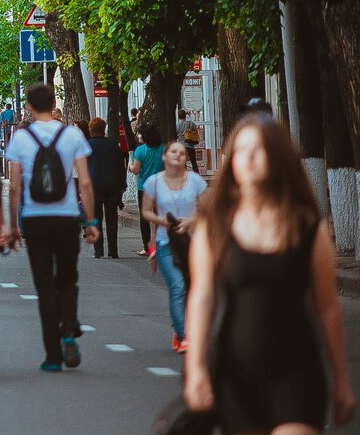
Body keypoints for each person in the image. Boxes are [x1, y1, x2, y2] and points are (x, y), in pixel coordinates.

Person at [185, 114, 355, 434]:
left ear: (277, 157)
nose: (248, 158)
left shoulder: (306, 225)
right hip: (236, 377)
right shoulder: (214, 225)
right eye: (241, 150)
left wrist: (342, 381)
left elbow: (327, 308)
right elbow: (202, 298)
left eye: (259, 149)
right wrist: (195, 368)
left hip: (297, 372)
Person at [0, 83, 98, 373]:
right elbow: (85, 182)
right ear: (54, 102)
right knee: (68, 278)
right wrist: (91, 221)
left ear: (29, 106)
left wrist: (14, 226)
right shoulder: (72, 135)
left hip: (35, 218)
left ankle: (53, 356)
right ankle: (69, 329)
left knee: (44, 285)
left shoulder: (21, 138)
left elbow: (14, 186)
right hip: (66, 217)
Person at [141, 140, 207, 353]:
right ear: (164, 156)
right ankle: (184, 336)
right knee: (177, 287)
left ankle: (184, 326)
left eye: (182, 153)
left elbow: (209, 209)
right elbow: (146, 211)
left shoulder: (195, 181)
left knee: (192, 289)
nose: (178, 155)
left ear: (186, 158)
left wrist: (190, 222)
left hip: (192, 244)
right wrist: (162, 221)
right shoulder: (153, 182)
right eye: (173, 152)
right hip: (165, 243)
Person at [86, 118, 125, 259]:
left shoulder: (87, 146)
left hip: (94, 187)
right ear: (104, 129)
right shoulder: (113, 145)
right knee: (112, 218)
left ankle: (98, 250)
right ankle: (113, 251)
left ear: (91, 129)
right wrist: (123, 185)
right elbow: (121, 166)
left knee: (96, 218)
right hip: (112, 186)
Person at [130, 125, 164, 256]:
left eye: (139, 134)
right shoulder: (163, 149)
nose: (138, 136)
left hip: (144, 188)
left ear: (145, 136)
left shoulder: (140, 150)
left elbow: (136, 170)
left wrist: (130, 166)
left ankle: (147, 247)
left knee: (144, 218)